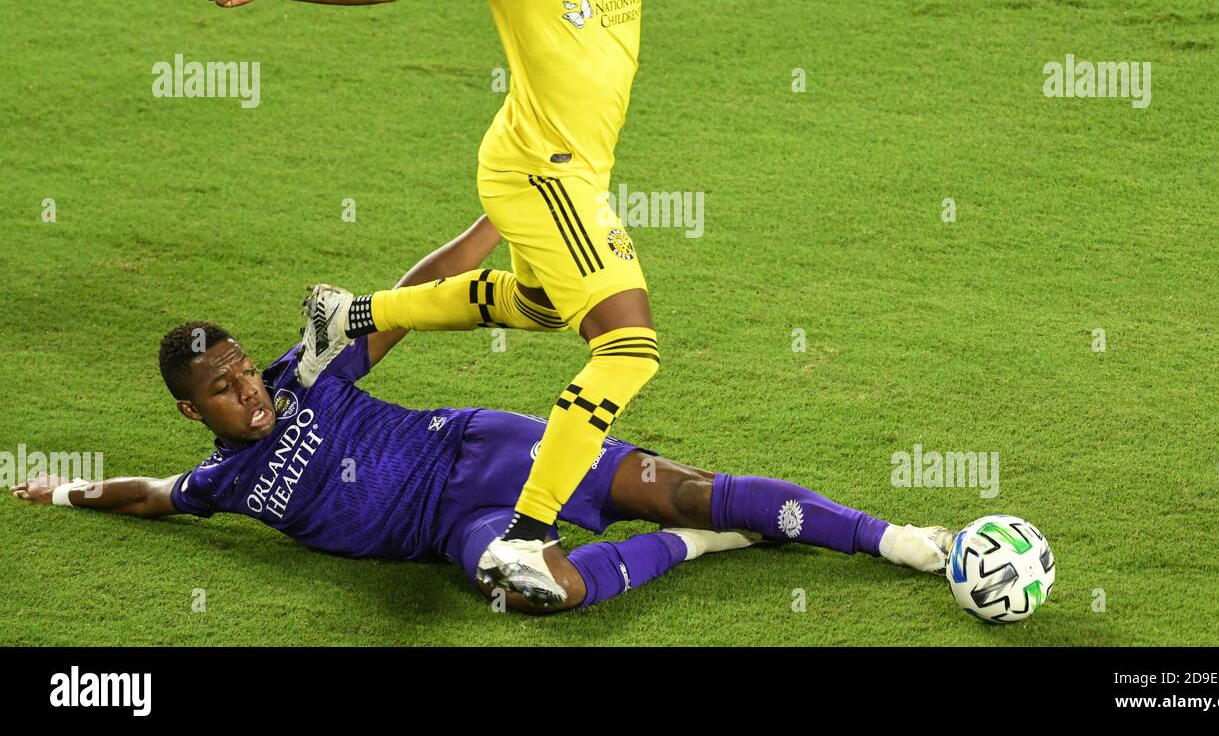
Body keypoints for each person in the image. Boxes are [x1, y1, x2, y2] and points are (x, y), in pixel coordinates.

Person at [173, 0, 878, 604]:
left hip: (577, 169)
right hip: (539, 172)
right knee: (629, 347)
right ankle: (532, 527)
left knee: (543, 307)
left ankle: (360, 315)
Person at [10, 219, 951, 615]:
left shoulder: (308, 374)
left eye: (243, 371)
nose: (247, 391)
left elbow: (407, 298)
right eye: (222, 390)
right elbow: (150, 495)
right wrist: (62, 493)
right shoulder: (223, 481)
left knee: (699, 490)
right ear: (193, 409)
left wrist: (491, 222)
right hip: (458, 529)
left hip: (491, 448)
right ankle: (692, 551)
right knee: (538, 594)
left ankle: (899, 538)